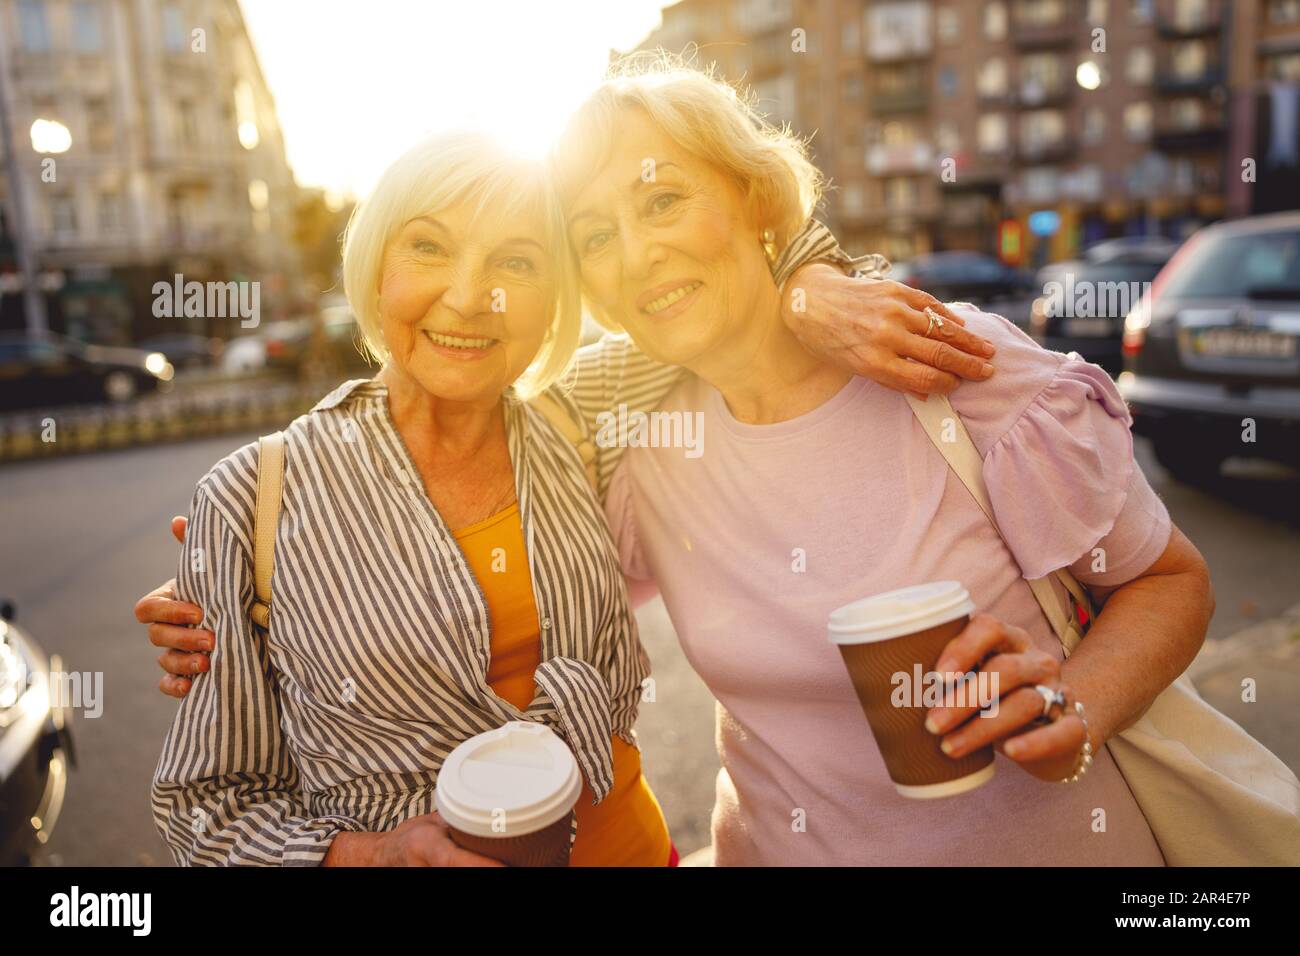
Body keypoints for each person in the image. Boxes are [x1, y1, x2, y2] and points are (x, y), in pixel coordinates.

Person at [143, 122, 988, 867]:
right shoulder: (254, 499)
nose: (473, 297)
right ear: (374, 270)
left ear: (557, 302)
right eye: (429, 247)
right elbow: (207, 807)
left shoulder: (583, 416)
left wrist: (812, 285)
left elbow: (729, 286)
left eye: (517, 260)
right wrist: (376, 857)